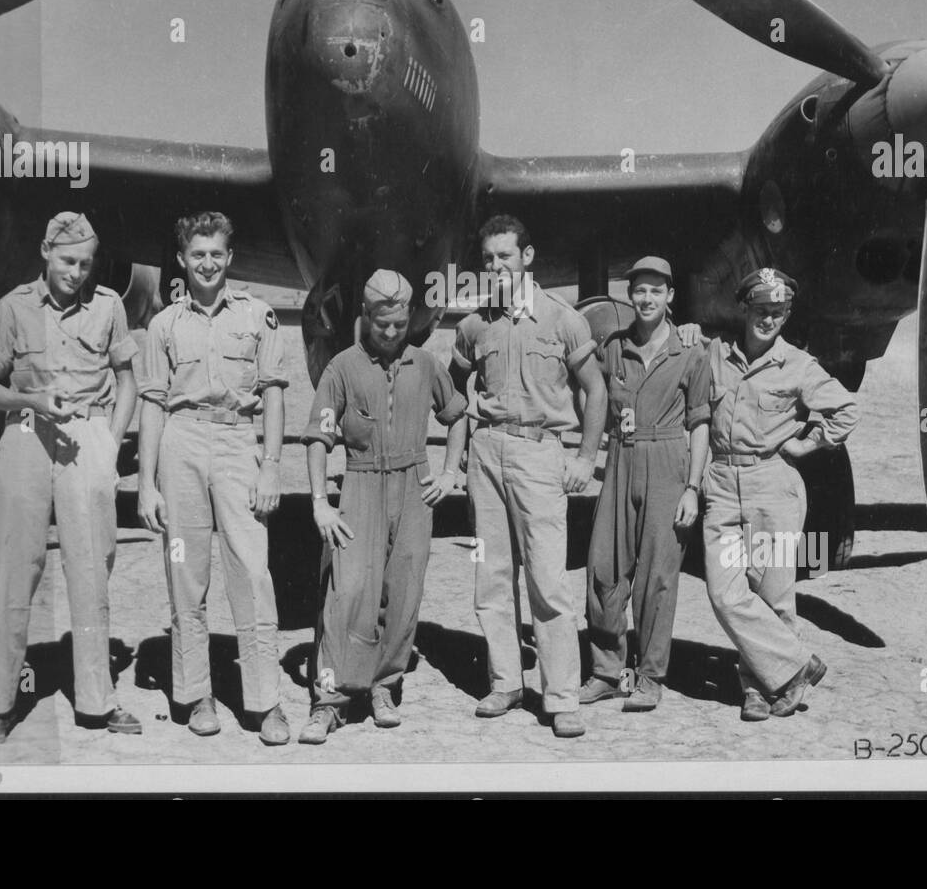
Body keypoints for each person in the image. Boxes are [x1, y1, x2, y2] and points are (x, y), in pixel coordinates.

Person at [0, 212, 142, 747]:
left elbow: (127, 381)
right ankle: (0, 704)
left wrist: (109, 444)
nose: (76, 273)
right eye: (67, 261)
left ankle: (97, 700)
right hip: (26, 438)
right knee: (15, 570)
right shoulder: (14, 306)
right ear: (46, 251)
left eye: (85, 264)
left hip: (87, 443)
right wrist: (30, 400)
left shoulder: (109, 306)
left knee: (91, 571)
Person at [136, 212, 290, 746]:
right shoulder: (163, 326)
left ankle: (265, 701)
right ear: (182, 259)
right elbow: (153, 403)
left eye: (216, 254)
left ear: (230, 258)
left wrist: (271, 464)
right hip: (179, 443)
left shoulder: (259, 316)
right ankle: (196, 693)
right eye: (196, 254)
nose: (206, 263)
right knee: (186, 572)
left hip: (234, 443)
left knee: (252, 570)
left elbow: (272, 391)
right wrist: (146, 482)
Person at [451, 215, 607, 738]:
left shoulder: (562, 319)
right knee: (491, 576)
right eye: (488, 258)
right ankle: (506, 682)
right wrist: (459, 449)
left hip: (541, 455)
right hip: (487, 453)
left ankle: (561, 695)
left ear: (527, 256)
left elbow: (596, 390)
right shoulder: (475, 324)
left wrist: (585, 457)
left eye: (505, 256)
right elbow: (454, 387)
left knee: (547, 579)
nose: (496, 266)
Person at [298, 270, 468, 744]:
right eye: (380, 324)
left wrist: (450, 472)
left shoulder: (427, 364)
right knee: (347, 592)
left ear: (410, 317)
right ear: (365, 317)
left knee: (403, 593)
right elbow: (317, 437)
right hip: (361, 482)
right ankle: (329, 700)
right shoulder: (342, 367)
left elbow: (456, 415)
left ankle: (383, 687)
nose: (390, 334)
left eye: (398, 324)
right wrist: (319, 503)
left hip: (414, 485)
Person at [702, 267, 859, 721]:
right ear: (744, 309)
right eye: (760, 310)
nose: (768, 320)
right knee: (725, 591)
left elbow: (846, 409)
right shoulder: (717, 355)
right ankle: (797, 664)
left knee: (773, 593)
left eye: (778, 312)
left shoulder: (799, 366)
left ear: (787, 314)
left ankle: (760, 689)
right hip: (723, 485)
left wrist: (809, 443)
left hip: (773, 484)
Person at [579, 257, 711, 713]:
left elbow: (700, 424)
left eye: (657, 291)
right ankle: (607, 671)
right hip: (620, 457)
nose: (647, 299)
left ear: (670, 296)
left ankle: (651, 676)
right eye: (639, 291)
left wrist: (693, 487)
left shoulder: (691, 352)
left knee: (657, 576)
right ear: (629, 295)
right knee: (604, 567)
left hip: (669, 460)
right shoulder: (613, 347)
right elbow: (583, 381)